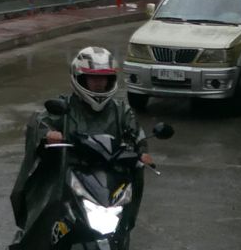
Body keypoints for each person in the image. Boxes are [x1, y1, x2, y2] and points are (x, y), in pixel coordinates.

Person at [11, 46, 153, 248]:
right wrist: (47, 133)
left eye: (104, 78)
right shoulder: (65, 106)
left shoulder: (121, 110)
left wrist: (143, 150)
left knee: (129, 197)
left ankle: (124, 229)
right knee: (48, 206)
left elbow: (135, 131)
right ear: (79, 78)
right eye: (92, 78)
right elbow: (41, 121)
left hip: (110, 177)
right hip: (71, 173)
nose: (98, 83)